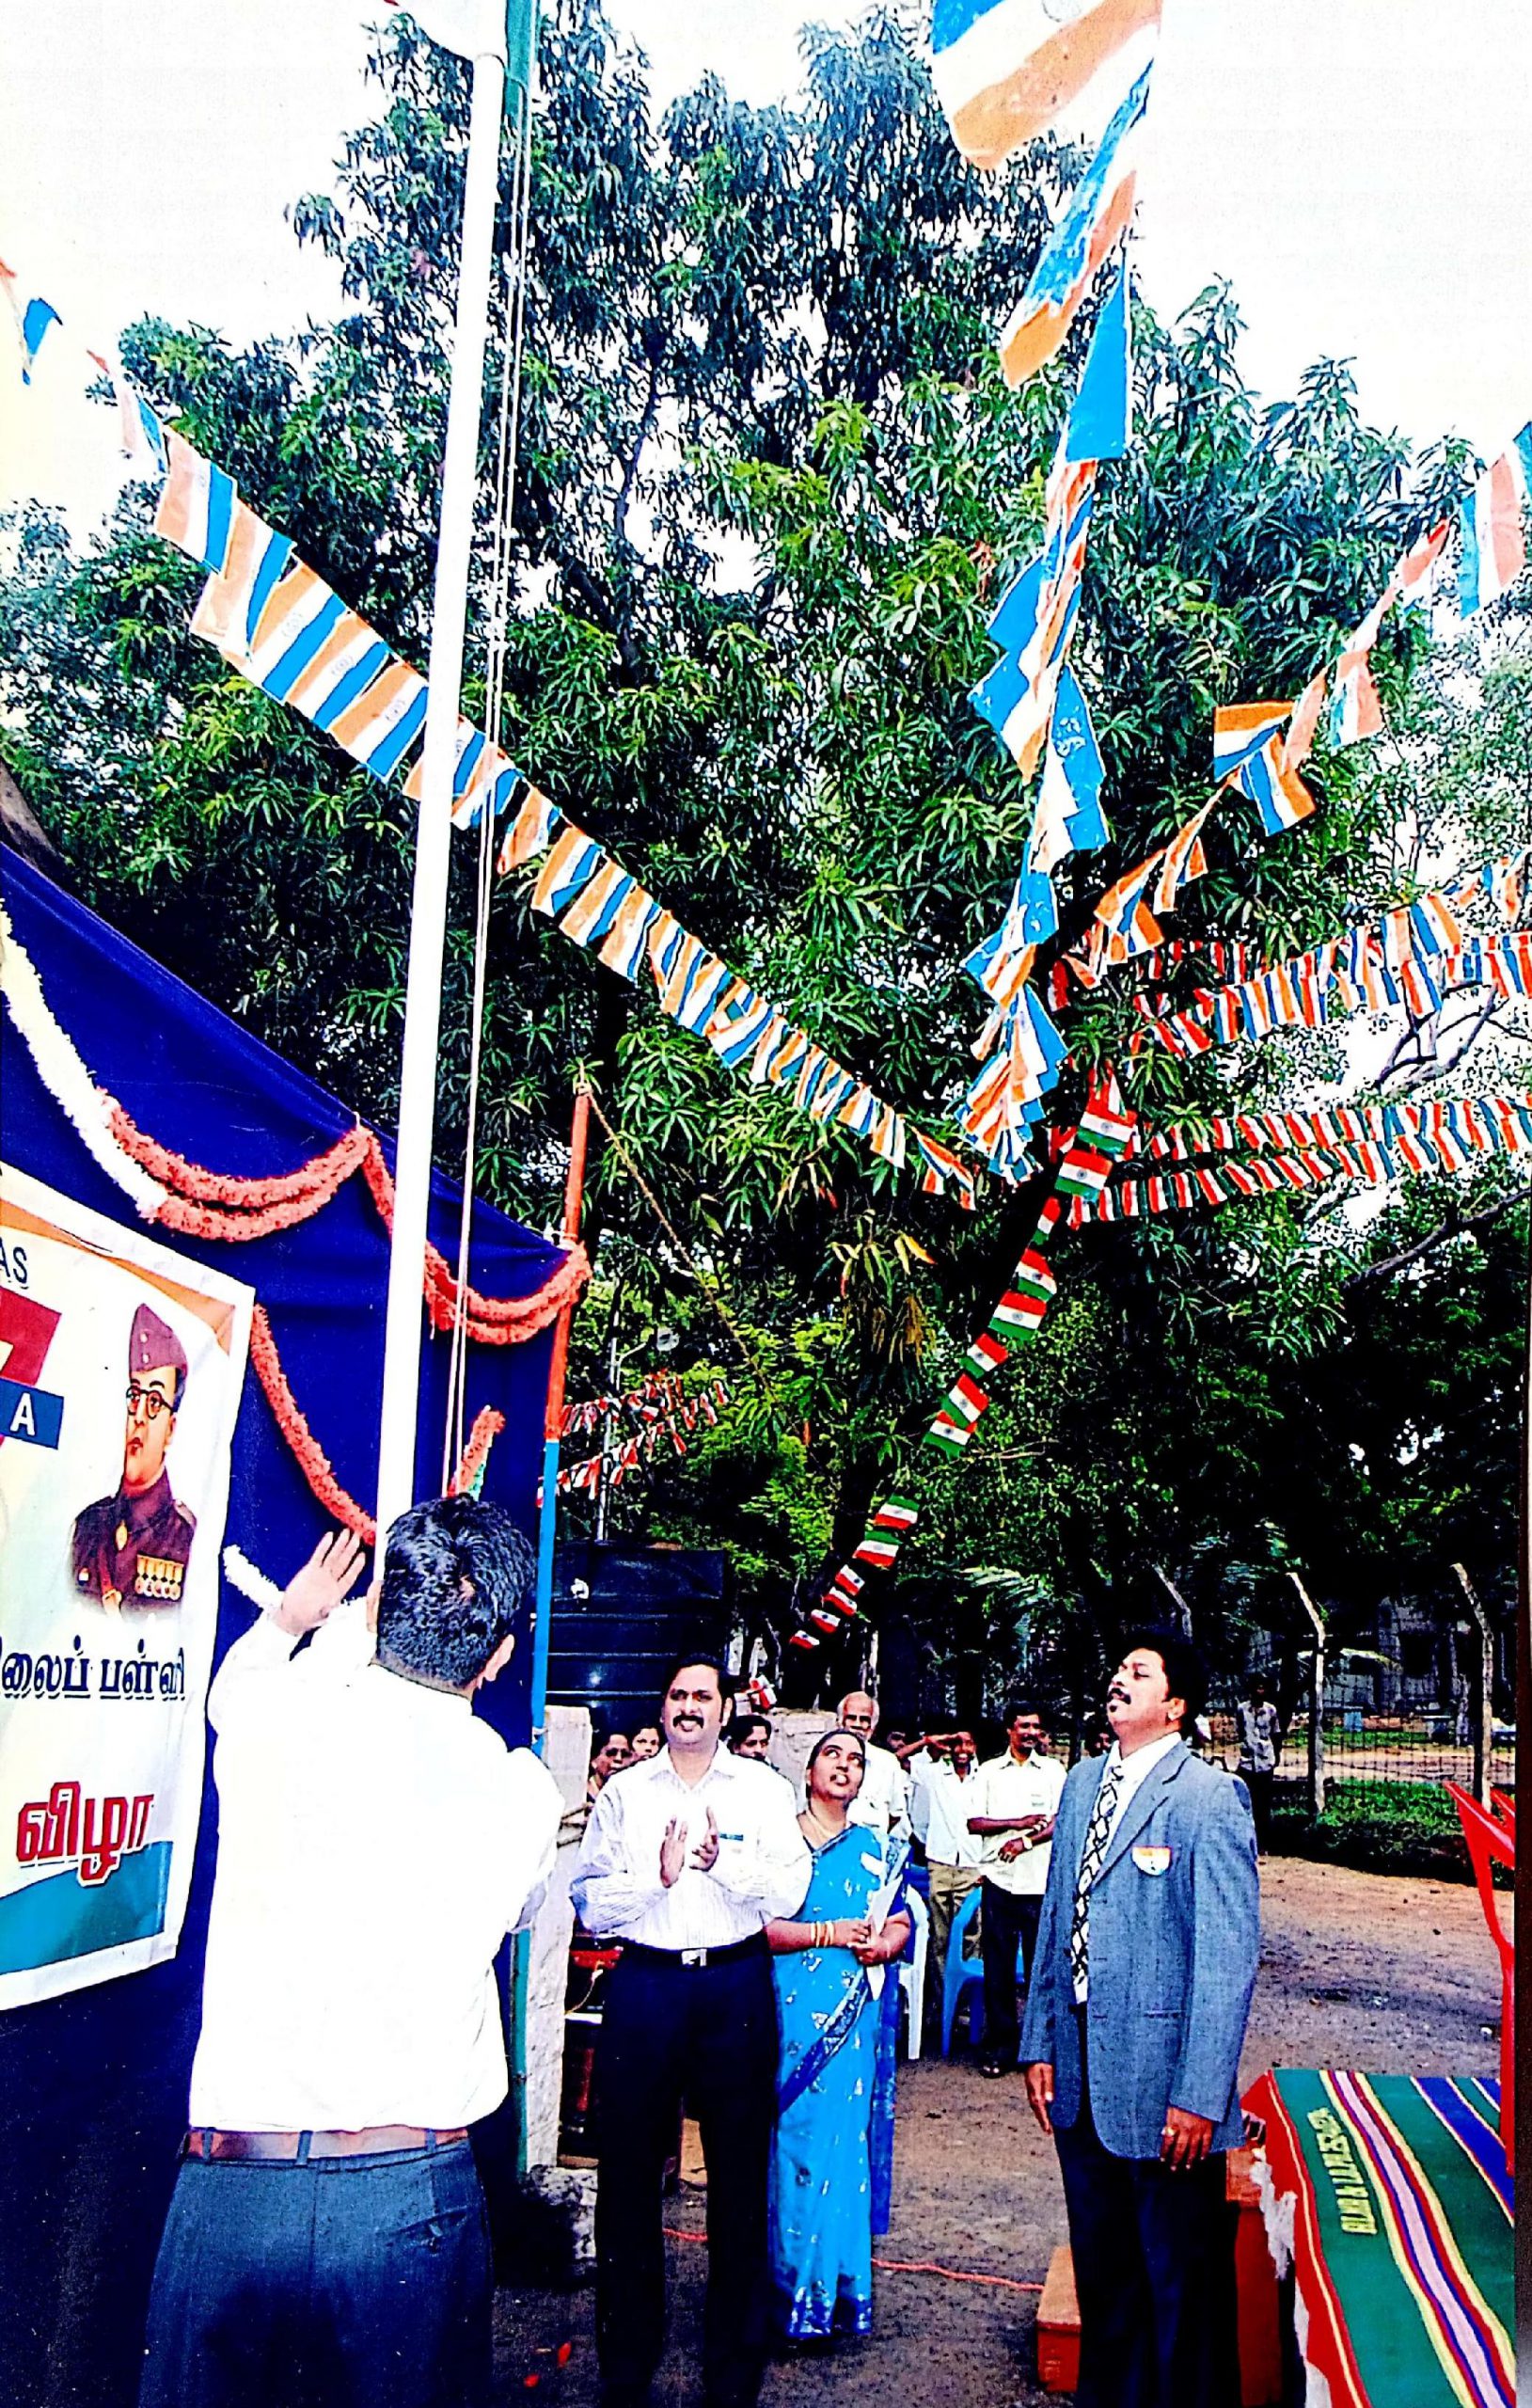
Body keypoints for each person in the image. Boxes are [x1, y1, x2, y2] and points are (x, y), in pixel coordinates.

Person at [138, 1498, 563, 2408]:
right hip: (406, 2206)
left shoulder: (272, 1725)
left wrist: (296, 1620)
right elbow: (519, 1910)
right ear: (498, 1655)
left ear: (376, 1612)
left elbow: (239, 1685)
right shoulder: (521, 1793)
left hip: (232, 2197)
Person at [1020, 1629, 1259, 2408]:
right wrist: (1041, 2044)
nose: (1118, 1681)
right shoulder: (1083, 1784)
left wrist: (1198, 2095)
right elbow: (1058, 1922)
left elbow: (1225, 1961)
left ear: (1176, 1705)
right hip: (1080, 2080)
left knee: (1180, 2293)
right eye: (1117, 1668)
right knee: (1105, 2278)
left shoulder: (1206, 1798)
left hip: (1165, 2095)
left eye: (1138, 1673)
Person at [572, 1656, 811, 2408]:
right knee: (627, 2181)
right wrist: (661, 1877)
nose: (687, 1708)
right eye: (676, 1696)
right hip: (646, 1987)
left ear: (725, 1708)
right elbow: (590, 1903)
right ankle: (625, 2368)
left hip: (733, 1984)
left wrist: (720, 1865)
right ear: (664, 1705)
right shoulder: (624, 1792)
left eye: (701, 1697)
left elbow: (789, 1888)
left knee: (740, 2179)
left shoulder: (765, 1791)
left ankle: (733, 2373)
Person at [766, 1730, 909, 2341]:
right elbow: (758, 1928)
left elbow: (900, 1919)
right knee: (788, 2143)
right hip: (784, 2014)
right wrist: (828, 1934)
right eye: (834, 1755)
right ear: (808, 1770)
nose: (845, 1766)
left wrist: (882, 1944)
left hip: (851, 2020)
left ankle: (832, 2293)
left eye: (857, 1760)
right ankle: (783, 2288)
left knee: (839, 2145)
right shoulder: (779, 1843)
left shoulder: (876, 1847)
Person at [72, 1301, 197, 1609]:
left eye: (155, 1401)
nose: (139, 1415)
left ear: (170, 1429)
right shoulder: (88, 1526)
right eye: (135, 1396)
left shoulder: (183, 1535)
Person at [967, 1701, 1066, 2078]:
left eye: (1034, 1727)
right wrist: (1018, 1823)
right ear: (1009, 1730)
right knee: (998, 1971)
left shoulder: (1054, 1771)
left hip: (1040, 1885)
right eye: (1022, 1726)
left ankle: (1041, 2049)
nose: (1029, 1733)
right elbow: (975, 1823)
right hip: (999, 1883)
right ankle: (1001, 2048)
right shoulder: (989, 1773)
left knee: (1043, 1971)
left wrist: (1023, 1841)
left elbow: (1059, 1822)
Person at [907, 1730, 983, 1986]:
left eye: (968, 1743)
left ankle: (964, 2001)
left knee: (971, 1933)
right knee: (940, 1934)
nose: (962, 1749)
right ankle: (941, 1997)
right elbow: (898, 1760)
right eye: (956, 1743)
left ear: (975, 1746)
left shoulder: (985, 1778)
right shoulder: (935, 1773)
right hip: (940, 1863)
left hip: (973, 1865)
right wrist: (929, 1742)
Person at [837, 1690, 909, 1838]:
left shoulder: (888, 1763)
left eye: (864, 1719)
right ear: (840, 1722)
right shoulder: (821, 1756)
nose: (857, 1725)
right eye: (851, 1718)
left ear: (872, 1726)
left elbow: (895, 1813)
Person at [1235, 1675, 1282, 1850]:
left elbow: (1276, 1734)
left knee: (1264, 1803)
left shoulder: (1271, 1711)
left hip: (1265, 1760)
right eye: (1257, 1688)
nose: (1259, 1691)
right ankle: (1246, 1841)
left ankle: (1263, 1843)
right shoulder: (1242, 1709)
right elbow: (1241, 1731)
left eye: (1263, 1688)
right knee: (1247, 1801)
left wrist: (1275, 1756)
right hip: (1247, 1761)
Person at [589, 1729, 636, 1796]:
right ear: (594, 1759)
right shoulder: (581, 1793)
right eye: (611, 1753)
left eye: (625, 1754)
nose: (618, 1759)